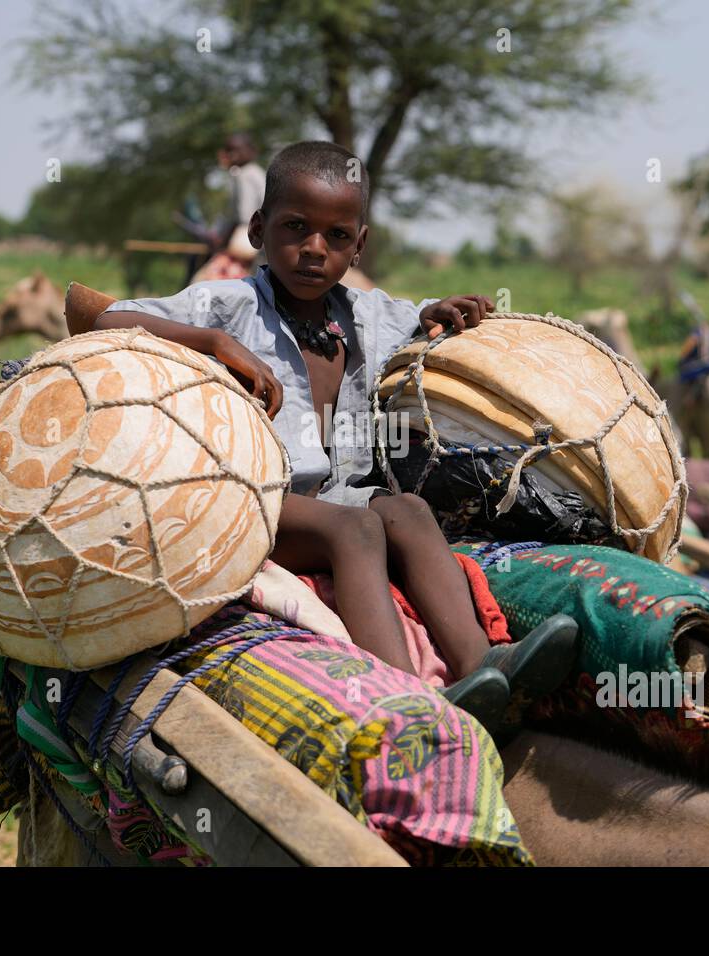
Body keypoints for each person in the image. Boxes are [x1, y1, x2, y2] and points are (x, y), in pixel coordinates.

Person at [95, 141, 576, 738]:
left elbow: (420, 314)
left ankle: (484, 668)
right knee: (355, 527)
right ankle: (406, 698)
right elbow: (106, 318)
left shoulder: (366, 315)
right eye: (295, 228)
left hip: (336, 496)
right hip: (252, 503)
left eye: (337, 236)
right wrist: (213, 343)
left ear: (359, 245)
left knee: (407, 509)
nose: (314, 249)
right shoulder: (227, 305)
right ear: (258, 229)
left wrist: (444, 308)